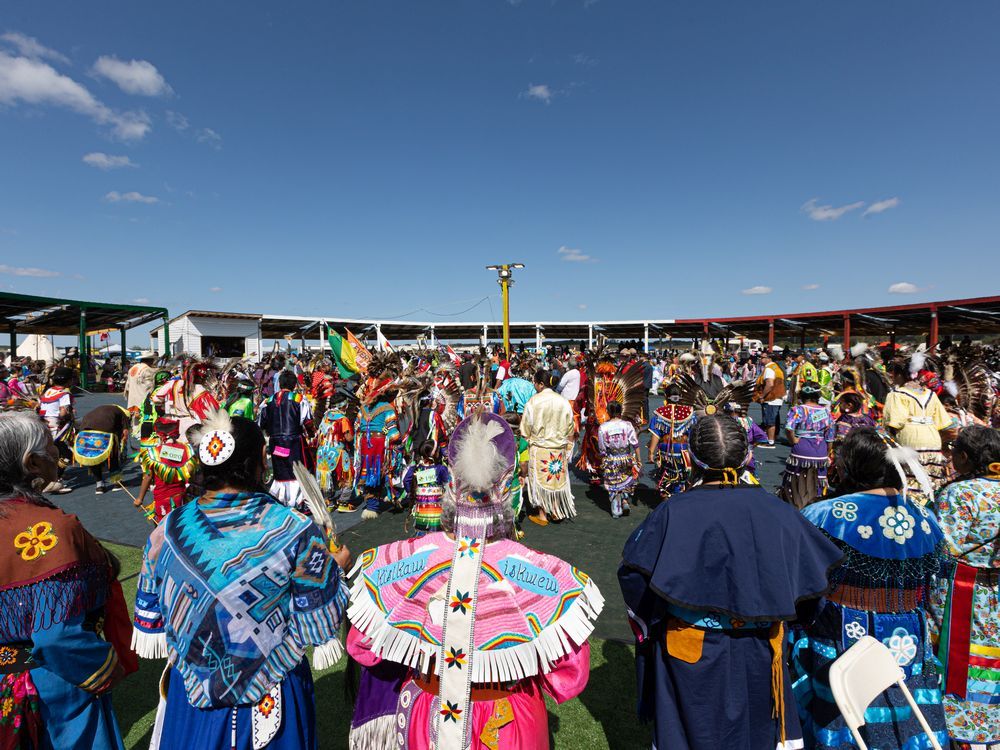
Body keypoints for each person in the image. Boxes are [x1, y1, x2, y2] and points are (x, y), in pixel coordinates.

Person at [346, 412, 602, 749]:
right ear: (507, 491)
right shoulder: (545, 573)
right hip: (507, 720)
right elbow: (569, 675)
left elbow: (362, 645)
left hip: (426, 712)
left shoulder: (401, 560)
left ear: (451, 488)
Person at [618, 415, 844, 750]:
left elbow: (636, 576)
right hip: (761, 649)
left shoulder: (672, 512)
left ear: (690, 458)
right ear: (747, 456)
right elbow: (812, 586)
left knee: (693, 735)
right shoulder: (779, 512)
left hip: (691, 649)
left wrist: (657, 619)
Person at [132, 410, 350, 750]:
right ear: (260, 460)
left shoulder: (168, 531)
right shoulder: (294, 528)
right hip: (271, 692)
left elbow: (153, 614)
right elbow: (316, 620)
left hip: (191, 695)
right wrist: (337, 567)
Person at [792, 427, 948, 749]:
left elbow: (800, 584)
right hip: (908, 634)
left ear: (851, 466)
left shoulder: (826, 515)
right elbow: (936, 587)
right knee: (904, 705)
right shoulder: (925, 518)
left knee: (844, 710)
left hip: (841, 633)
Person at [0, 411, 135, 749]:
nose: (59, 453)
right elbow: (57, 636)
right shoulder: (49, 531)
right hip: (52, 691)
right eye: (51, 446)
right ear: (32, 463)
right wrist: (106, 668)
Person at [928, 425, 1000, 748]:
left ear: (966, 457)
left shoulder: (960, 494)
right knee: (991, 653)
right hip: (995, 594)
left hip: (962, 591)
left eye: (954, 451)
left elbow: (941, 548)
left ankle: (956, 724)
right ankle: (991, 726)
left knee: (959, 656)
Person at [883, 359, 952, 503]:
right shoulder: (931, 394)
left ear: (900, 375)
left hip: (911, 440)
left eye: (894, 374)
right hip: (933, 442)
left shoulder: (897, 394)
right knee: (931, 482)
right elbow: (942, 423)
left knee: (911, 483)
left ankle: (913, 511)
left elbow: (896, 422)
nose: (892, 378)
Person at [521, 369, 576, 525]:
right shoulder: (563, 401)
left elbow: (525, 429)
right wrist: (568, 446)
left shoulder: (533, 402)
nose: (534, 385)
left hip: (540, 449)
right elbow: (570, 427)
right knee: (556, 481)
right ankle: (557, 511)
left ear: (541, 384)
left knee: (540, 482)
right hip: (559, 449)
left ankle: (543, 514)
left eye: (535, 383)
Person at [258, 369, 314, 508]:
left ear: (280, 384)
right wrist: (312, 434)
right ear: (294, 385)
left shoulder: (268, 401)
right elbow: (308, 422)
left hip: (275, 441)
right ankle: (299, 502)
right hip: (294, 441)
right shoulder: (299, 399)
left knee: (281, 471)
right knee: (298, 471)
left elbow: (261, 423)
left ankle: (282, 501)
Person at [780, 381, 835, 509]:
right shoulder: (826, 412)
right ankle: (814, 506)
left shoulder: (798, 409)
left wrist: (793, 440)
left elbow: (789, 427)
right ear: (818, 396)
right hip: (820, 449)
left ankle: (793, 504)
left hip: (802, 447)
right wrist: (827, 452)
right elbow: (830, 436)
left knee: (795, 477)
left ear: (802, 395)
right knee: (817, 479)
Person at [134, 418, 198, 522]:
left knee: (163, 526)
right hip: (181, 497)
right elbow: (192, 474)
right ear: (176, 434)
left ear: (159, 435)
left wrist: (140, 498)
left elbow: (148, 477)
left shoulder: (153, 453)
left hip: (162, 499)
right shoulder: (187, 450)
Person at [647, 382, 695, 497]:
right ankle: (681, 498)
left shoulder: (660, 413)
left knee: (667, 476)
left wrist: (651, 452)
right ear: (680, 396)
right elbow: (693, 433)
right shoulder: (689, 412)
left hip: (666, 451)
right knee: (683, 475)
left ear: (666, 396)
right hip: (683, 450)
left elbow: (656, 434)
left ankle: (668, 499)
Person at [72, 403, 131, 494]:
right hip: (104, 432)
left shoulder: (101, 410)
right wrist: (120, 443)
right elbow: (125, 432)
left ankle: (99, 485)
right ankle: (117, 483)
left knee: (93, 457)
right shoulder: (122, 414)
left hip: (85, 433)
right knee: (113, 456)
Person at [598, 400, 640, 518]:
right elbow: (635, 443)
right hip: (626, 457)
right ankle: (625, 501)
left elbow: (602, 448)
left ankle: (616, 507)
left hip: (611, 458)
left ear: (608, 412)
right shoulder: (627, 425)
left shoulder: (603, 427)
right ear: (621, 411)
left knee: (614, 481)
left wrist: (603, 460)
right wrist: (639, 460)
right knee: (626, 478)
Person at [37, 366, 75, 494]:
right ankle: (54, 480)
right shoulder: (64, 393)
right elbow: (63, 413)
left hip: (43, 425)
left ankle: (48, 479)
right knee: (66, 454)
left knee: (49, 454)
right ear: (68, 381)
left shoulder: (48, 391)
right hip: (56, 428)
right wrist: (69, 415)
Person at [401, 441, 449, 536]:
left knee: (422, 532)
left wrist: (412, 493)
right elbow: (449, 483)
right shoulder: (440, 469)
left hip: (421, 507)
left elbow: (406, 481)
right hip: (437, 508)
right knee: (437, 535)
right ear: (435, 453)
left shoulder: (416, 468)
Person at [754, 351, 786, 448]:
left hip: (771, 398)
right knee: (774, 419)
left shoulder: (769, 369)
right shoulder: (776, 367)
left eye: (762, 357)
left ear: (769, 358)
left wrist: (762, 396)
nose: (760, 359)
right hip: (777, 397)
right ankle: (772, 439)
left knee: (769, 420)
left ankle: (770, 442)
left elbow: (770, 384)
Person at [124, 351, 158, 422]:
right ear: (150, 360)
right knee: (144, 423)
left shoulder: (132, 368)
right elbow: (150, 387)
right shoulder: (148, 370)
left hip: (132, 402)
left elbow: (127, 387)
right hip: (143, 402)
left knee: (134, 423)